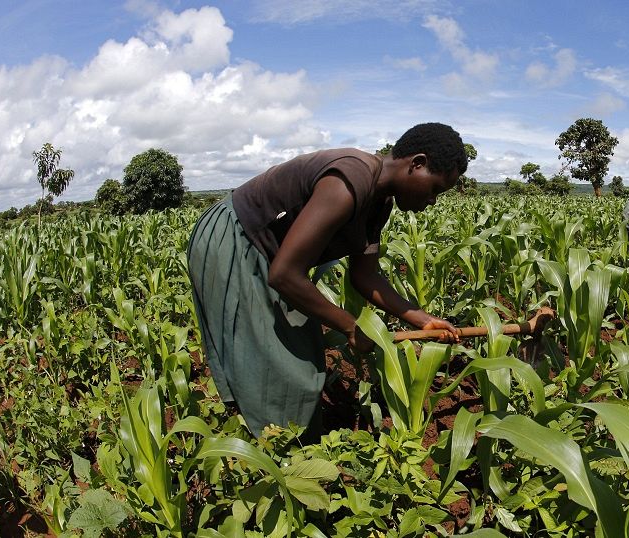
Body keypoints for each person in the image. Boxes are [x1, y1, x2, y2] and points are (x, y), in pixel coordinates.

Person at [186, 122, 464, 436]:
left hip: (273, 257)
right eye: (435, 189)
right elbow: (284, 274)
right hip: (237, 239)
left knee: (298, 357)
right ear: (417, 164)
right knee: (284, 366)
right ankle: (271, 451)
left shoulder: (379, 203)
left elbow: (365, 275)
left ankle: (277, 439)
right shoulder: (349, 182)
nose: (433, 201)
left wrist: (422, 319)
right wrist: (349, 326)